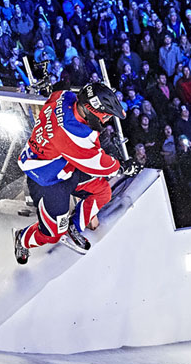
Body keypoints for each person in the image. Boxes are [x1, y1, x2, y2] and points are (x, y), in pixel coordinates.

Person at [14, 83, 141, 264]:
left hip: (65, 167)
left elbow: (58, 89)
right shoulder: (73, 135)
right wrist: (123, 167)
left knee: (102, 192)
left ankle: (73, 226)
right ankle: (23, 238)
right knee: (51, 234)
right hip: (46, 181)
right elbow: (99, 164)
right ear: (91, 111)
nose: (105, 120)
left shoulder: (64, 97)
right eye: (104, 115)